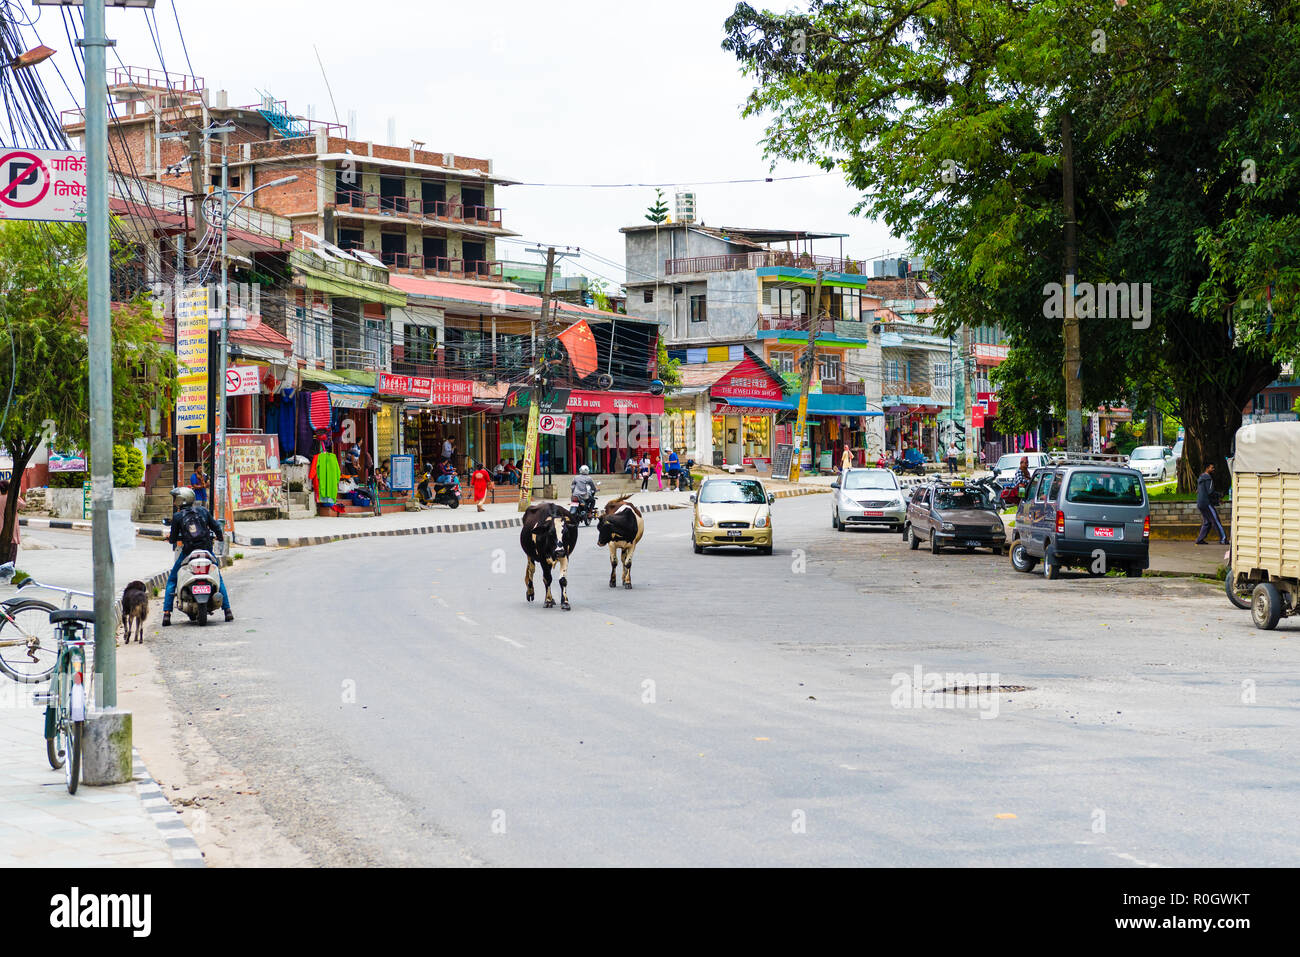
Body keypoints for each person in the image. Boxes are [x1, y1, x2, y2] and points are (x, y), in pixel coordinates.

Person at [162, 486, 232, 625]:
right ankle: (228, 610)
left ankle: (166, 613)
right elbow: (216, 527)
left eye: (176, 498)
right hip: (206, 552)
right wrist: (219, 537)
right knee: (218, 576)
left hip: (188, 553)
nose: (175, 501)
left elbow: (173, 539)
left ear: (182, 500)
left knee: (172, 580)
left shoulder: (177, 516)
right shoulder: (203, 511)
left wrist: (170, 538)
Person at [1195, 462, 1228, 545]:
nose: (1213, 469)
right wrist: (1219, 495)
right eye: (1212, 468)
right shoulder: (1208, 478)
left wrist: (1217, 500)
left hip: (1200, 503)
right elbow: (1210, 492)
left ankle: (1200, 539)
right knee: (1216, 521)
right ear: (1207, 468)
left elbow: (1199, 491)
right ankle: (1223, 539)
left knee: (1207, 522)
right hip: (1206, 503)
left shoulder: (1201, 478)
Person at [0, 478, 26, 564]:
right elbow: (23, 506)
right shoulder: (12, 499)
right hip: (11, 535)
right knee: (11, 560)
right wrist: (17, 496)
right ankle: (9, 575)